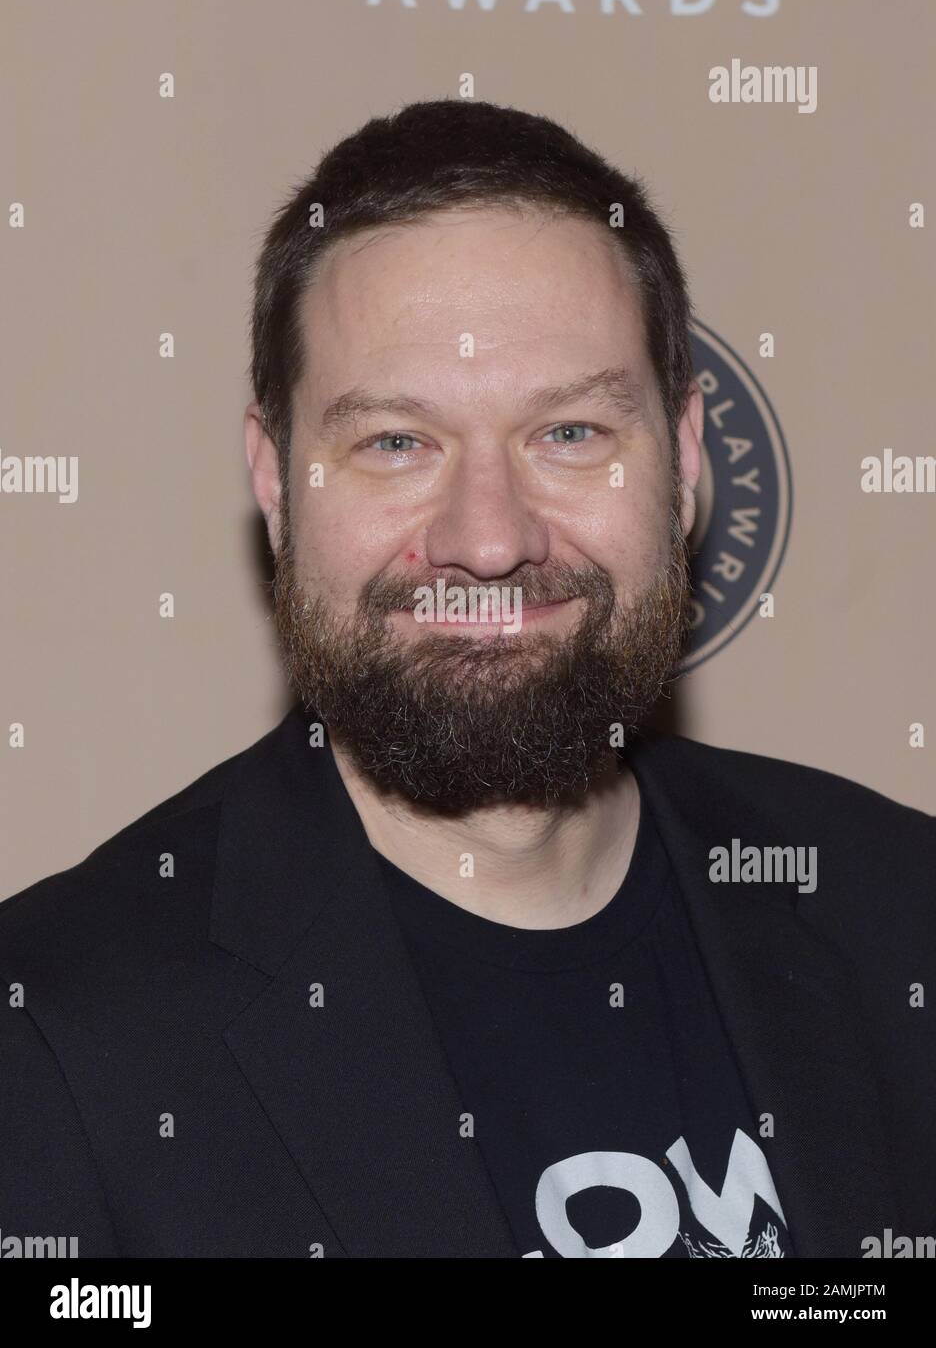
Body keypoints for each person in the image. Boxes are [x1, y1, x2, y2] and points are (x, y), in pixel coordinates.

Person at [1, 100, 933, 1260]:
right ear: (278, 479)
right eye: (396, 442)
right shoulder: (54, 1035)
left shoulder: (900, 911)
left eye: (572, 433)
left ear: (687, 461)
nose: (488, 540)